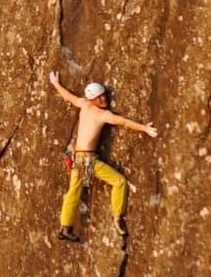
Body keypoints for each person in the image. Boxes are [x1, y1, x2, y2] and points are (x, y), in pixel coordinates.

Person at [46, 68, 157, 239]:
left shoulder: (84, 104)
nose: (104, 98)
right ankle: (117, 216)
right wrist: (145, 129)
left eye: (104, 95)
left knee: (74, 191)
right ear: (92, 99)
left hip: (79, 158)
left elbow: (68, 96)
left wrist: (55, 84)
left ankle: (65, 227)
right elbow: (123, 122)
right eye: (100, 97)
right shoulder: (102, 115)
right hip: (86, 161)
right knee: (119, 181)